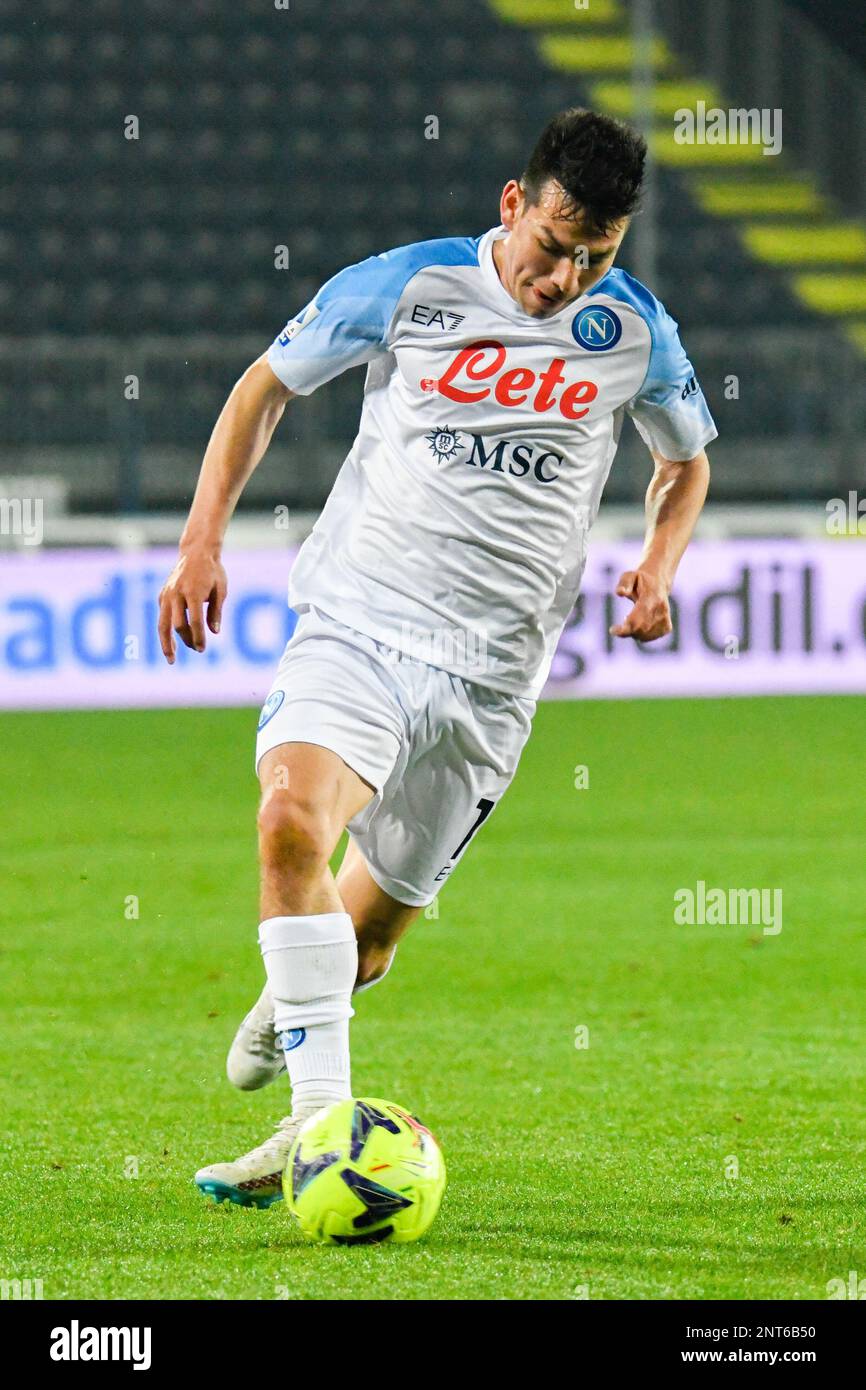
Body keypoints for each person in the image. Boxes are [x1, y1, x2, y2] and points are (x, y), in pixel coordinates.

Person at [157, 108, 716, 1207]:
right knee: (287, 826)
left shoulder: (634, 333)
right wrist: (200, 539)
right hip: (360, 621)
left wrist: (657, 564)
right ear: (512, 205)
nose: (565, 277)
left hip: (491, 677)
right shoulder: (407, 286)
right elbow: (262, 387)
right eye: (553, 245)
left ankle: (303, 987)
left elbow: (685, 463)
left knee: (360, 948)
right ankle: (320, 1127)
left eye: (594, 256)